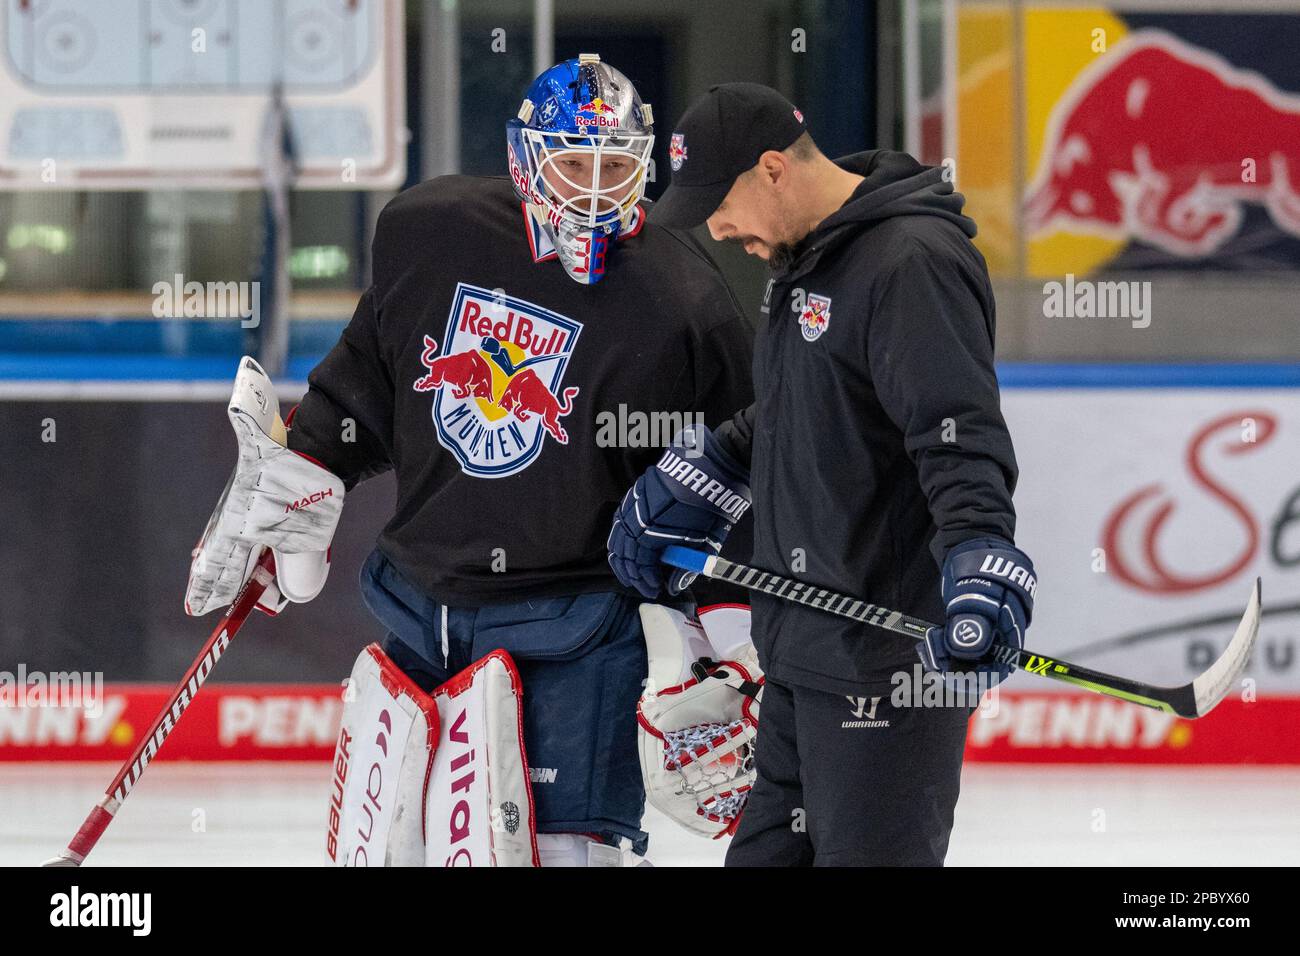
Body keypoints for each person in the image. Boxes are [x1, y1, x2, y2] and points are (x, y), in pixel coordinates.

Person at [186, 56, 753, 866]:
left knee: (563, 855)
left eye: (615, 165)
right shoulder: (430, 231)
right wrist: (296, 488)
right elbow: (365, 390)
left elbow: (730, 482)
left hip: (577, 630)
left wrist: (731, 644)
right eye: (574, 162)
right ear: (526, 158)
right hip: (421, 611)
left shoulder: (684, 298)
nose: (595, 187)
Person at [607, 83, 1035, 866]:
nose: (716, 226)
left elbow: (955, 430)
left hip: (885, 671)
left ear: (772, 169)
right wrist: (710, 465)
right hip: (802, 657)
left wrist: (980, 548)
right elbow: (806, 404)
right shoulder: (814, 259)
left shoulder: (911, 263)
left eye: (720, 202)